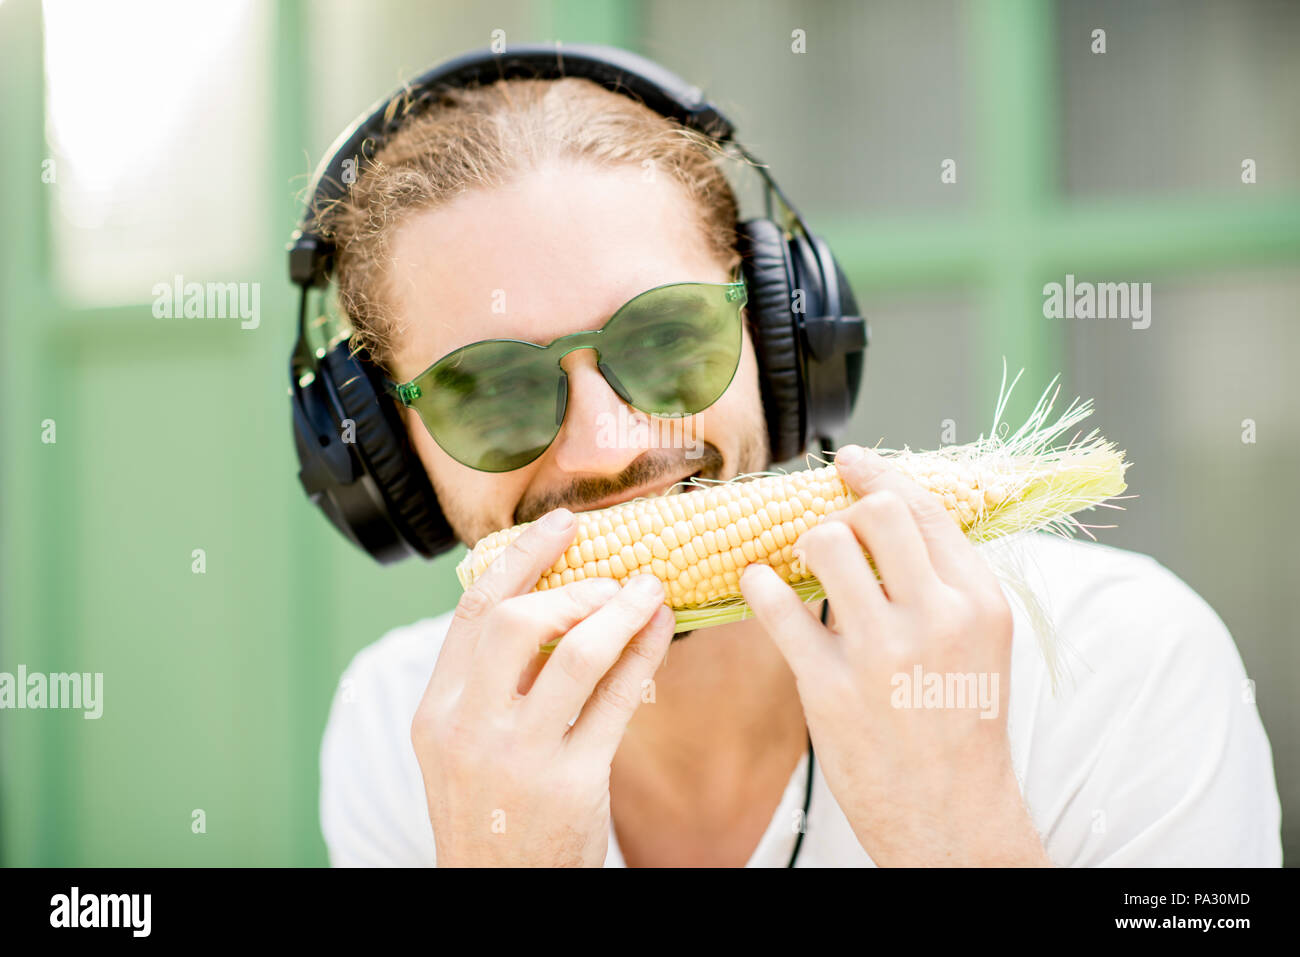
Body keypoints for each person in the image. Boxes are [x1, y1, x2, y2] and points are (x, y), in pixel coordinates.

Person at [316, 64, 1281, 867]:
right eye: (488, 391)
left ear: (781, 332)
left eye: (664, 339)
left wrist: (954, 830)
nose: (609, 445)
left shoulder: (1123, 664)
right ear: (388, 458)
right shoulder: (406, 734)